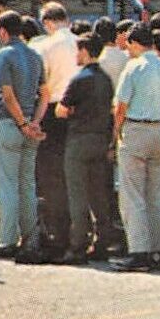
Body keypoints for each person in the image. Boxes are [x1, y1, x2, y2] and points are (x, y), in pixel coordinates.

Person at [109, 24, 160, 271]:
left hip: (136, 129)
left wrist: (116, 134)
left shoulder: (133, 67)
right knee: (156, 193)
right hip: (159, 130)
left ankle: (139, 250)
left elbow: (121, 107)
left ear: (135, 43)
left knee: (132, 193)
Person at [0, 10, 47, 258]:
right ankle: (30, 238)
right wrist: (34, 122)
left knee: (7, 185)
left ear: (2, 32)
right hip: (31, 124)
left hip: (9, 123)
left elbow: (7, 94)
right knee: (27, 184)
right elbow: (45, 94)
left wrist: (22, 123)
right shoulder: (35, 56)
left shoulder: (3, 55)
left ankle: (7, 240)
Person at [54, 33, 115, 262]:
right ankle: (102, 241)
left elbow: (60, 110)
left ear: (85, 51)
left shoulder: (79, 79)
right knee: (99, 194)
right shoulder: (106, 79)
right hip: (100, 139)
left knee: (77, 194)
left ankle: (78, 244)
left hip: (79, 140)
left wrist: (72, 111)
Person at [31, 2, 79, 259]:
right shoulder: (80, 43)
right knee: (74, 175)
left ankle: (55, 234)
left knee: (51, 176)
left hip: (52, 110)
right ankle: (78, 233)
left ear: (47, 22)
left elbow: (42, 87)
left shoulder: (45, 47)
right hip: (78, 112)